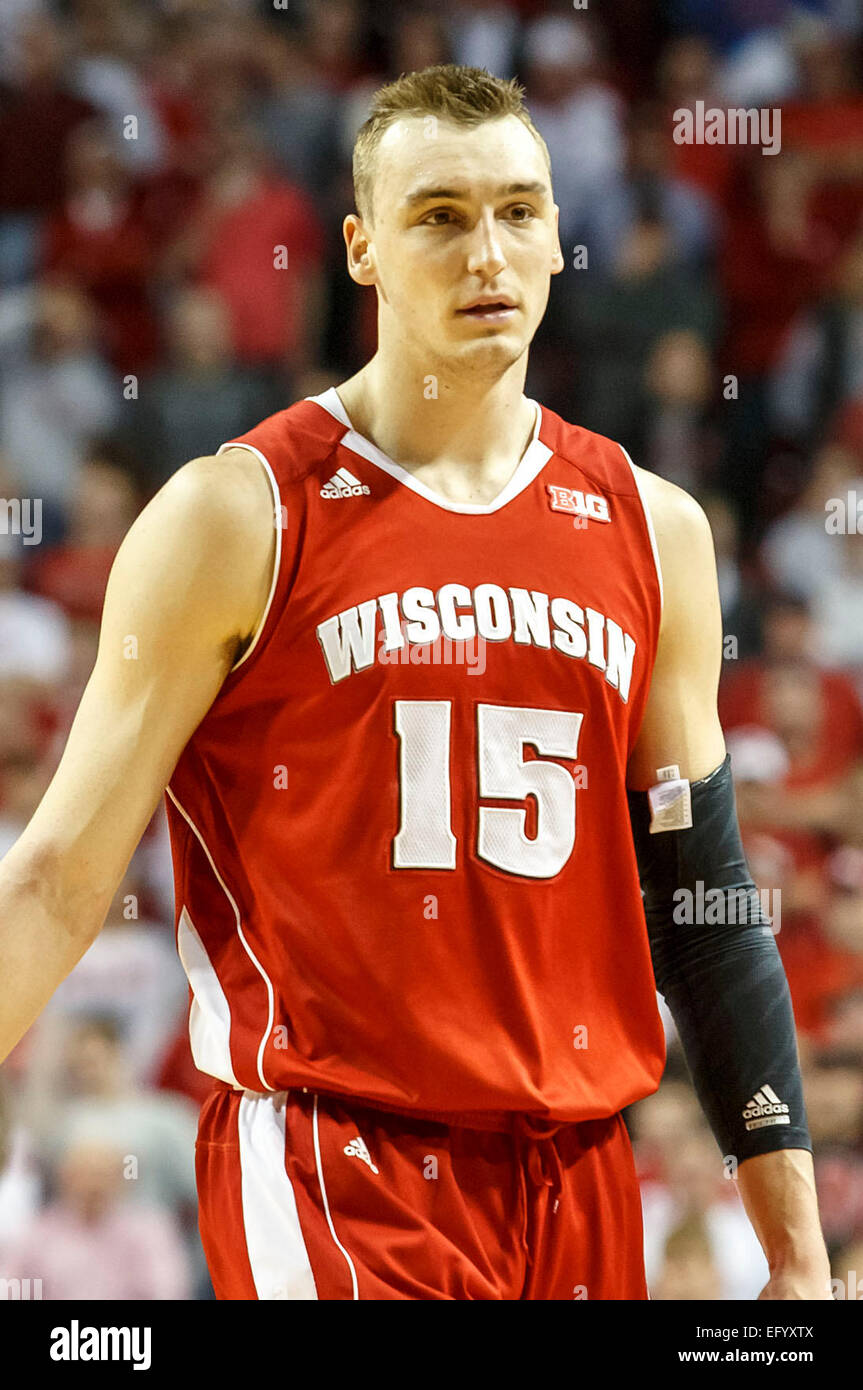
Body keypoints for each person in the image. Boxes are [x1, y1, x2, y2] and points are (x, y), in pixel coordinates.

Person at [0, 65, 831, 1301]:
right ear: (361, 248)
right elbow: (63, 873)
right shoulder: (236, 514)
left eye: (517, 210)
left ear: (559, 236)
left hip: (579, 1169)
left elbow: (701, 902)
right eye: (438, 214)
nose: (485, 249)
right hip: (337, 1155)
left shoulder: (652, 530)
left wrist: (795, 1247)